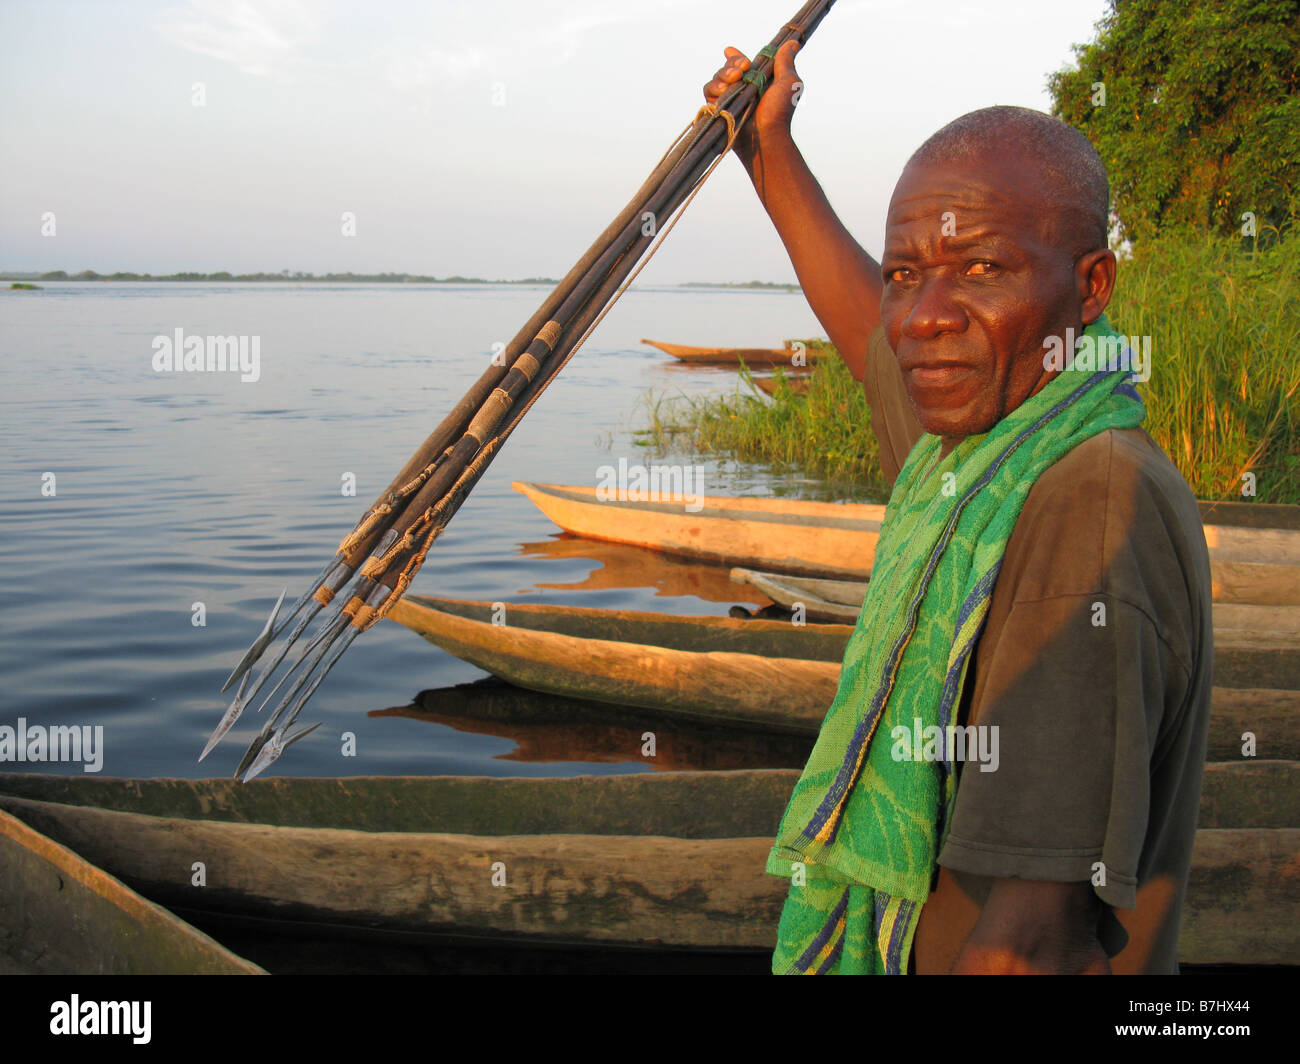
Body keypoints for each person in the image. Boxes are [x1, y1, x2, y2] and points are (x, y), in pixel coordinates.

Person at [704, 43, 1214, 975]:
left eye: (981, 268)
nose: (923, 318)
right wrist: (767, 148)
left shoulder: (1087, 506)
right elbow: (871, 328)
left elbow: (1025, 947)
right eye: (908, 274)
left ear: (1091, 286)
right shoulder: (978, 457)